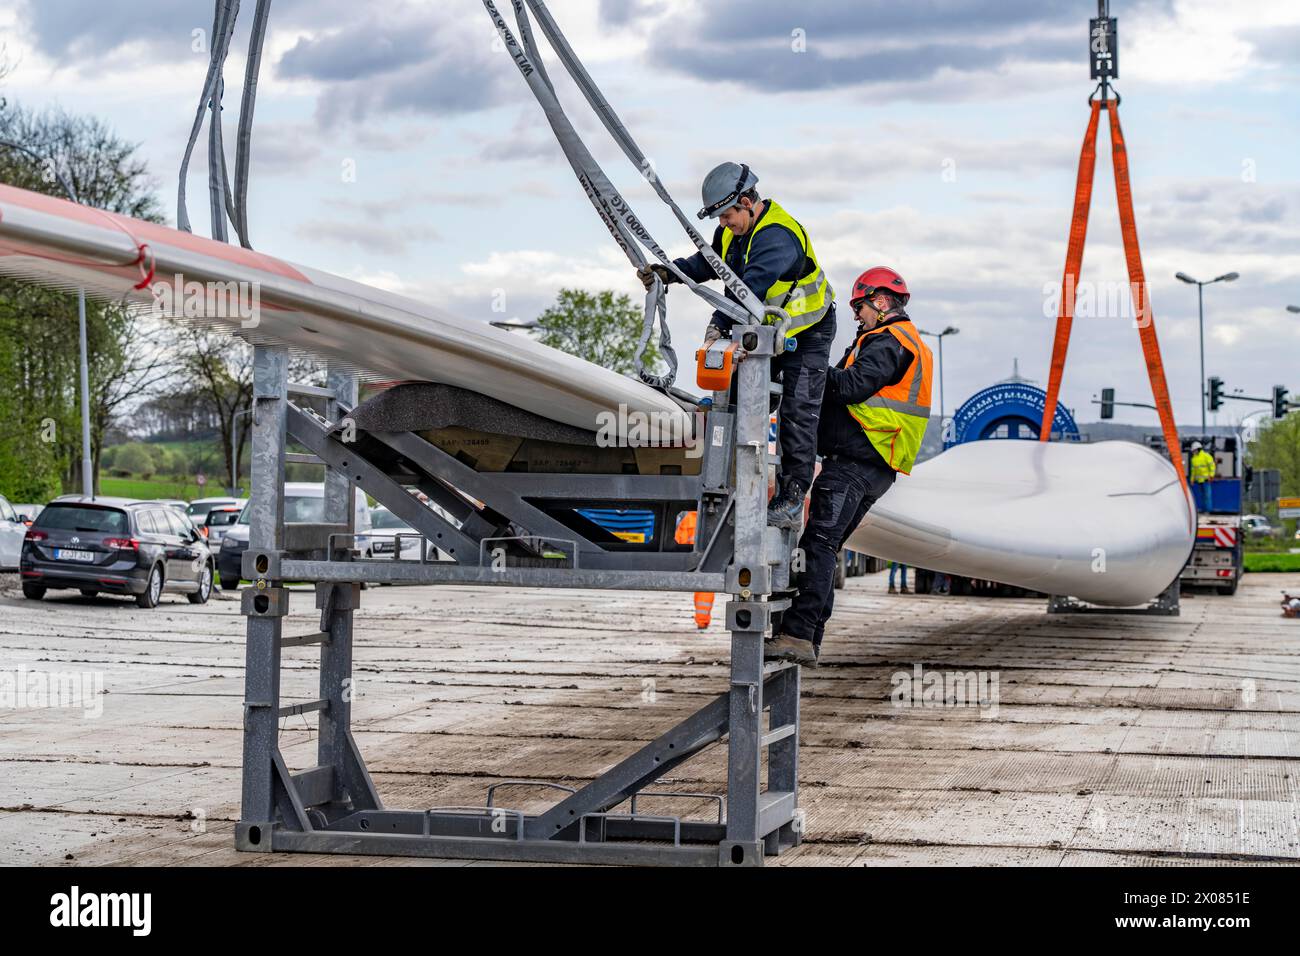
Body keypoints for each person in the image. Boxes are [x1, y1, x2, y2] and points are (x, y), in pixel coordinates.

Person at [637, 162, 835, 529]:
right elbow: (710, 264)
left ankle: (791, 502)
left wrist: (718, 326)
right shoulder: (732, 232)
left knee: (797, 414)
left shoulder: (777, 236)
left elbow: (750, 289)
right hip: (769, 330)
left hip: (807, 333)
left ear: (747, 201)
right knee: (740, 395)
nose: (724, 223)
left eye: (728, 215)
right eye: (720, 218)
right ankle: (730, 479)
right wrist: (670, 272)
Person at [764, 267, 933, 665]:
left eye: (861, 307)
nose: (858, 315)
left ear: (881, 302)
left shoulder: (889, 341)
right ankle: (808, 637)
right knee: (827, 546)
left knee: (818, 544)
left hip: (858, 461)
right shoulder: (895, 341)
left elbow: (851, 386)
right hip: (873, 463)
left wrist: (806, 366)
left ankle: (799, 635)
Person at [674, 510, 714, 630]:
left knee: (700, 591)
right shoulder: (715, 518)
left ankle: (702, 621)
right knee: (705, 591)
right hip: (710, 560)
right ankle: (702, 621)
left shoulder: (688, 519)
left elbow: (679, 540)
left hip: (691, 561)